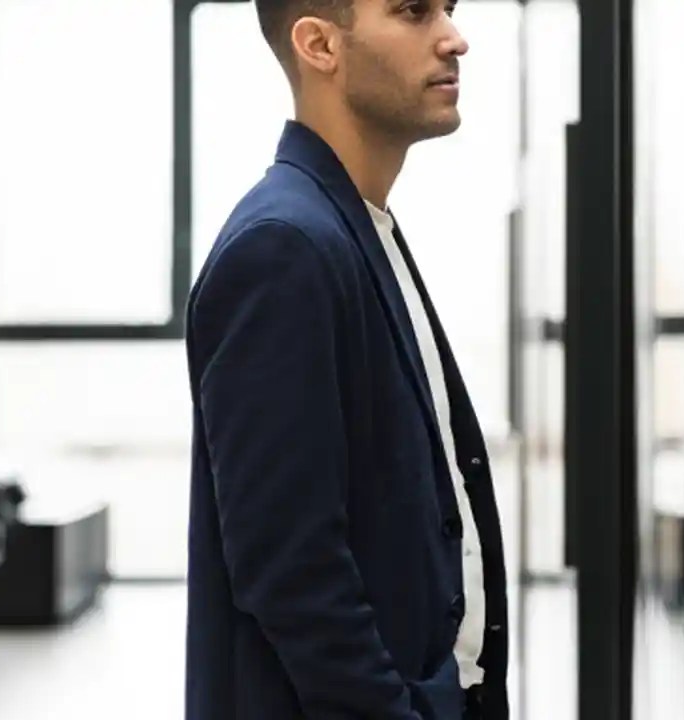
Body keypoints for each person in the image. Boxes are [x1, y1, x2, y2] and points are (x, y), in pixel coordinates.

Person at [184, 0, 507, 717]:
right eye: (414, 12)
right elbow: (291, 574)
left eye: (448, 11)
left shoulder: (352, 225)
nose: (454, 38)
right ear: (319, 45)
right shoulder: (284, 247)